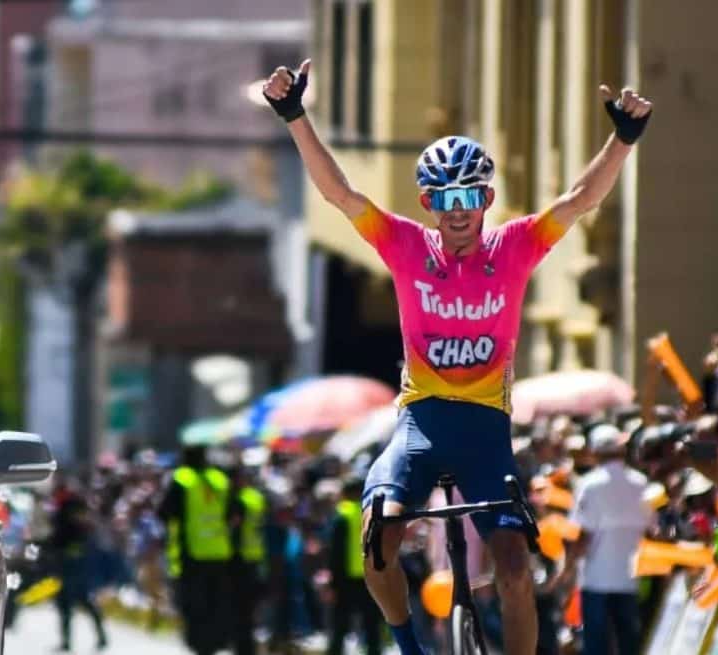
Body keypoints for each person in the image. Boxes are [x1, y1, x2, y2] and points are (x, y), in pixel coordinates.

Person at [263, 58, 652, 655]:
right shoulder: (405, 245)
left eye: (469, 195)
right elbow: (340, 193)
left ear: (487, 198)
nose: (458, 209)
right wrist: (294, 115)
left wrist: (622, 139)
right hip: (420, 425)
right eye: (444, 197)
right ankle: (409, 647)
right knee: (378, 538)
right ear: (427, 201)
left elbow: (578, 201)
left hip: (486, 432)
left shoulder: (514, 247)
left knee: (515, 569)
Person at [565, 424, 651, 655]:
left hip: (596, 578)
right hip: (630, 577)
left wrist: (566, 570)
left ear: (594, 452)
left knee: (597, 644)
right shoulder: (641, 483)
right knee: (628, 642)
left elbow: (582, 534)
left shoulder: (589, 484)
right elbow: (651, 528)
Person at [158, 444, 238, 655]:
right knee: (216, 603)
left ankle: (200, 646)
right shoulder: (220, 480)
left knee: (194, 605)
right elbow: (234, 514)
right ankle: (215, 644)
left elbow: (164, 512)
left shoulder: (182, 479)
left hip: (192, 553)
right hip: (220, 552)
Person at [325, 474, 382, 655]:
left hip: (345, 578)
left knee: (340, 625)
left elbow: (335, 552)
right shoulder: (370, 513)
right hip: (370, 576)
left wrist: (332, 582)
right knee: (371, 625)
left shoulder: (341, 515)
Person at [50, 477, 109, 652]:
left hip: (74, 562)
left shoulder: (73, 505)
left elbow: (81, 531)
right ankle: (70, 641)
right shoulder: (65, 507)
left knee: (78, 599)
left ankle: (98, 637)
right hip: (67, 561)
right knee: (69, 602)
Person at [230, 465, 269, 655]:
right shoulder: (257, 498)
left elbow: (235, 530)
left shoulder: (238, 500)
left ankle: (242, 649)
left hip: (240, 560)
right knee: (250, 611)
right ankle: (249, 648)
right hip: (257, 559)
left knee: (240, 611)